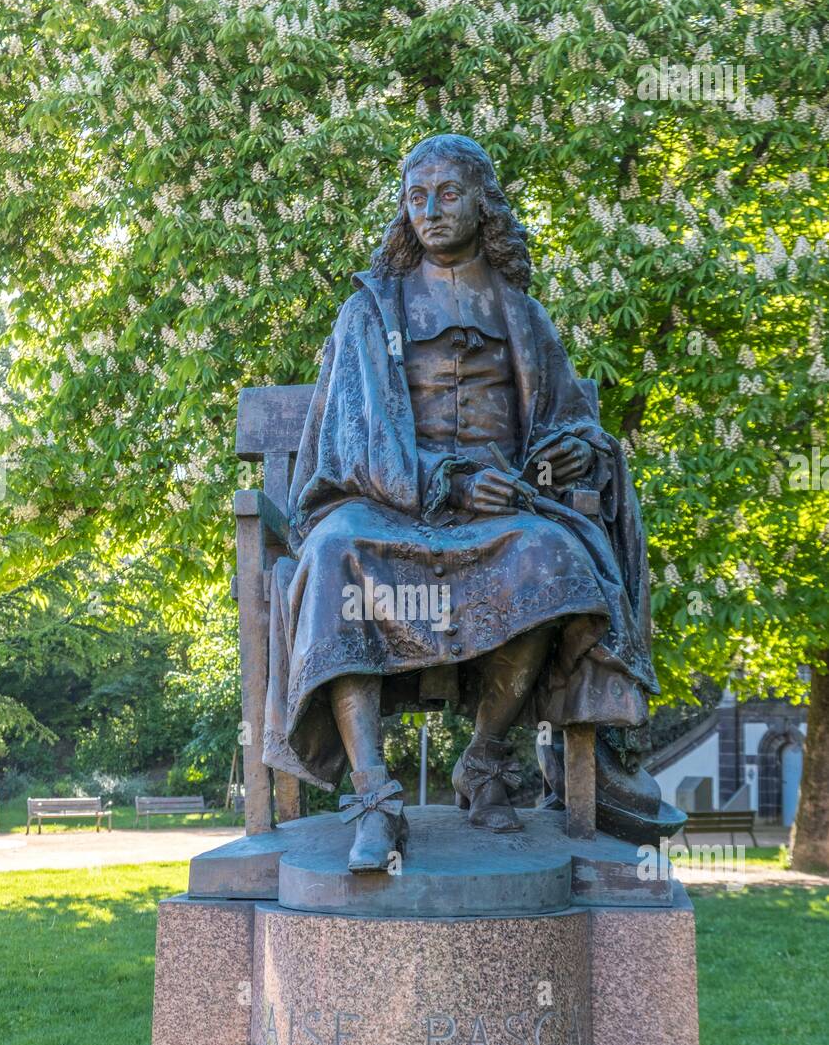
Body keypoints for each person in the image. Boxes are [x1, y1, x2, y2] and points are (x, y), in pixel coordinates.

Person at [263, 134, 664, 872]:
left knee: (558, 558)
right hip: (384, 505)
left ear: (484, 202)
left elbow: (569, 419)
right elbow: (350, 441)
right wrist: (441, 481)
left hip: (497, 514)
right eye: (416, 197)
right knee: (328, 555)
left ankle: (482, 761)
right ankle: (375, 798)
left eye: (448, 194)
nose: (430, 211)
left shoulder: (522, 313)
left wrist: (576, 447)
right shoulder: (369, 311)